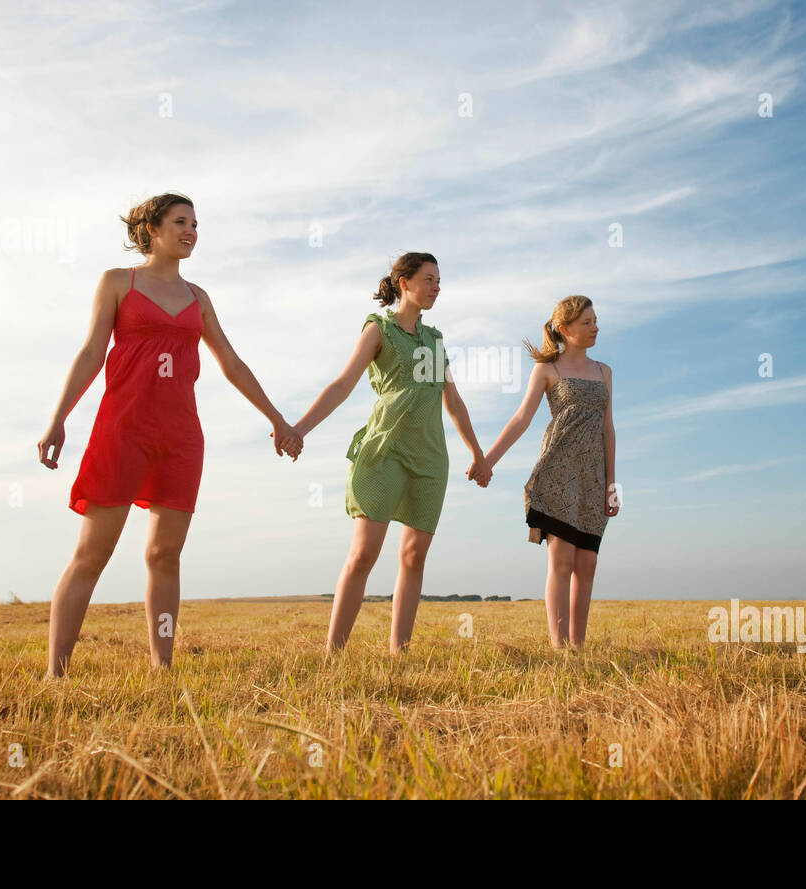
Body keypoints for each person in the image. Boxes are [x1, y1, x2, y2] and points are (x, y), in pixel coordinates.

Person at [36, 193, 302, 676]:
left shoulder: (198, 298)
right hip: (123, 431)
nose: (191, 231)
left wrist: (278, 420)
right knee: (91, 556)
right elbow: (92, 352)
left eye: (196, 224)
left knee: (165, 554)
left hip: (180, 438)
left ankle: (163, 669)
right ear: (152, 230)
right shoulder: (119, 282)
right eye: (181, 222)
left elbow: (233, 364)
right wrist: (59, 418)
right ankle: (56, 673)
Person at [292, 252, 490, 653]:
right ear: (404, 282)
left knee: (414, 557)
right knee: (364, 554)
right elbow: (342, 384)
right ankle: (334, 653)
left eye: (439, 280)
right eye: (429, 278)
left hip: (431, 459)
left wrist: (478, 453)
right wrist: (299, 428)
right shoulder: (379, 329)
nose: (437, 286)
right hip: (385, 451)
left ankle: (399, 652)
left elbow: (453, 401)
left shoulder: (434, 340)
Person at [481, 296, 618, 648]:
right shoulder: (547, 370)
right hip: (558, 470)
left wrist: (611, 484)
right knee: (562, 560)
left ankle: (578, 647)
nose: (595, 327)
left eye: (595, 320)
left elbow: (608, 429)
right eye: (587, 322)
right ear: (565, 329)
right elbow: (521, 419)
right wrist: (488, 459)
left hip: (593, 475)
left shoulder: (604, 372)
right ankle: (560, 649)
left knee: (586, 564)